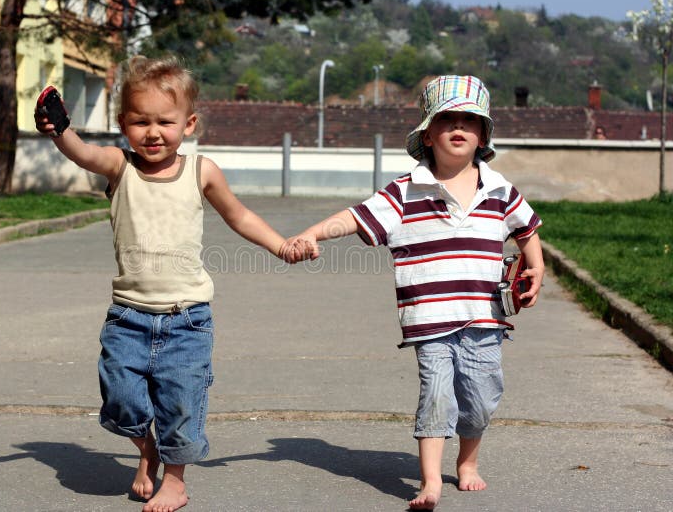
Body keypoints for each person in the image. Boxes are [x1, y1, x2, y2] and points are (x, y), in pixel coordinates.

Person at [36, 55, 289, 512]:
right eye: (140, 121)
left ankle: (174, 479)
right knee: (121, 400)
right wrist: (60, 131)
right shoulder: (119, 166)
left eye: (165, 122)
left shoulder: (201, 171)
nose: (153, 132)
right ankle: (147, 449)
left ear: (189, 123)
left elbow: (240, 216)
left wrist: (281, 246)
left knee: (181, 405)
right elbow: (83, 153)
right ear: (123, 124)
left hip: (187, 319)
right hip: (127, 317)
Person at [283, 75, 545, 510]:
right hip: (429, 320)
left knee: (480, 400)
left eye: (469, 120)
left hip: (484, 317)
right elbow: (354, 217)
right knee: (436, 395)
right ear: (428, 132)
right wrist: (311, 234)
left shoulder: (500, 189)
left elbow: (527, 228)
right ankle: (430, 482)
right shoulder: (405, 192)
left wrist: (535, 265)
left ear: (483, 135)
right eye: (446, 119)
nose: (458, 126)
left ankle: (467, 462)